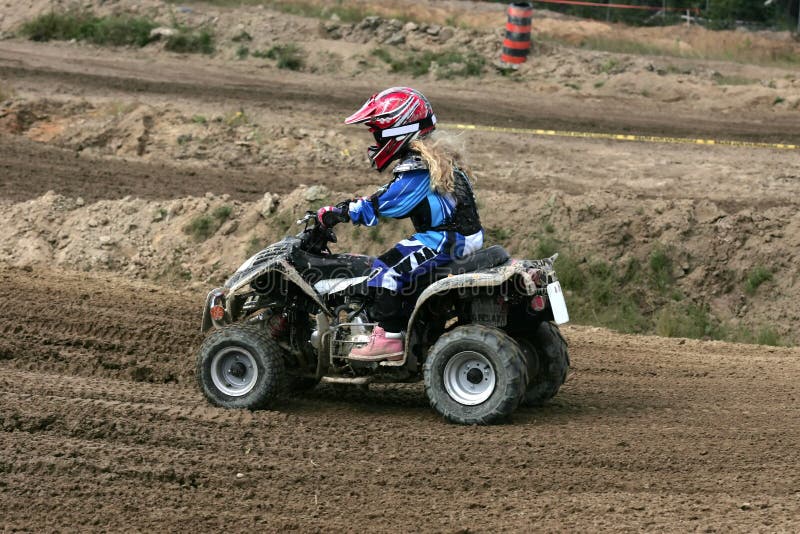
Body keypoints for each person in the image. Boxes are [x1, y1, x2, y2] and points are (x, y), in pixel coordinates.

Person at [316, 87, 483, 361]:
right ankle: (404, 322)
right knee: (399, 263)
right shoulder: (438, 157)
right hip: (462, 236)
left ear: (398, 129)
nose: (376, 138)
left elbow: (387, 201)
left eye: (379, 132)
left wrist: (340, 212)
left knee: (384, 272)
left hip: (445, 239)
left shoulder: (418, 167)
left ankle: (389, 337)